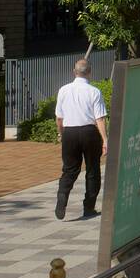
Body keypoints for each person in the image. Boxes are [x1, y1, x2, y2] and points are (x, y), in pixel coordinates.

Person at [54, 58, 109, 221]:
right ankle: (89, 207)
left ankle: (62, 196)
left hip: (69, 132)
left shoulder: (63, 90)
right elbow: (99, 118)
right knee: (93, 169)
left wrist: (61, 134)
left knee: (69, 169)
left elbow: (59, 118)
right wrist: (105, 139)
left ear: (74, 72)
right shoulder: (94, 91)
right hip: (89, 132)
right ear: (89, 73)